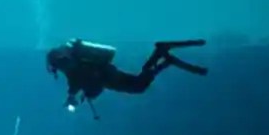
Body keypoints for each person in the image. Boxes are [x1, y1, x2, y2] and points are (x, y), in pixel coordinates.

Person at [46, 38, 207, 118]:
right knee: (138, 84)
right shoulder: (70, 63)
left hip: (109, 78)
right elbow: (77, 82)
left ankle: (161, 57)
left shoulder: (69, 66)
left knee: (139, 86)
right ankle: (162, 60)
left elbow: (84, 82)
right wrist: (74, 95)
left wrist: (79, 95)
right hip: (108, 75)